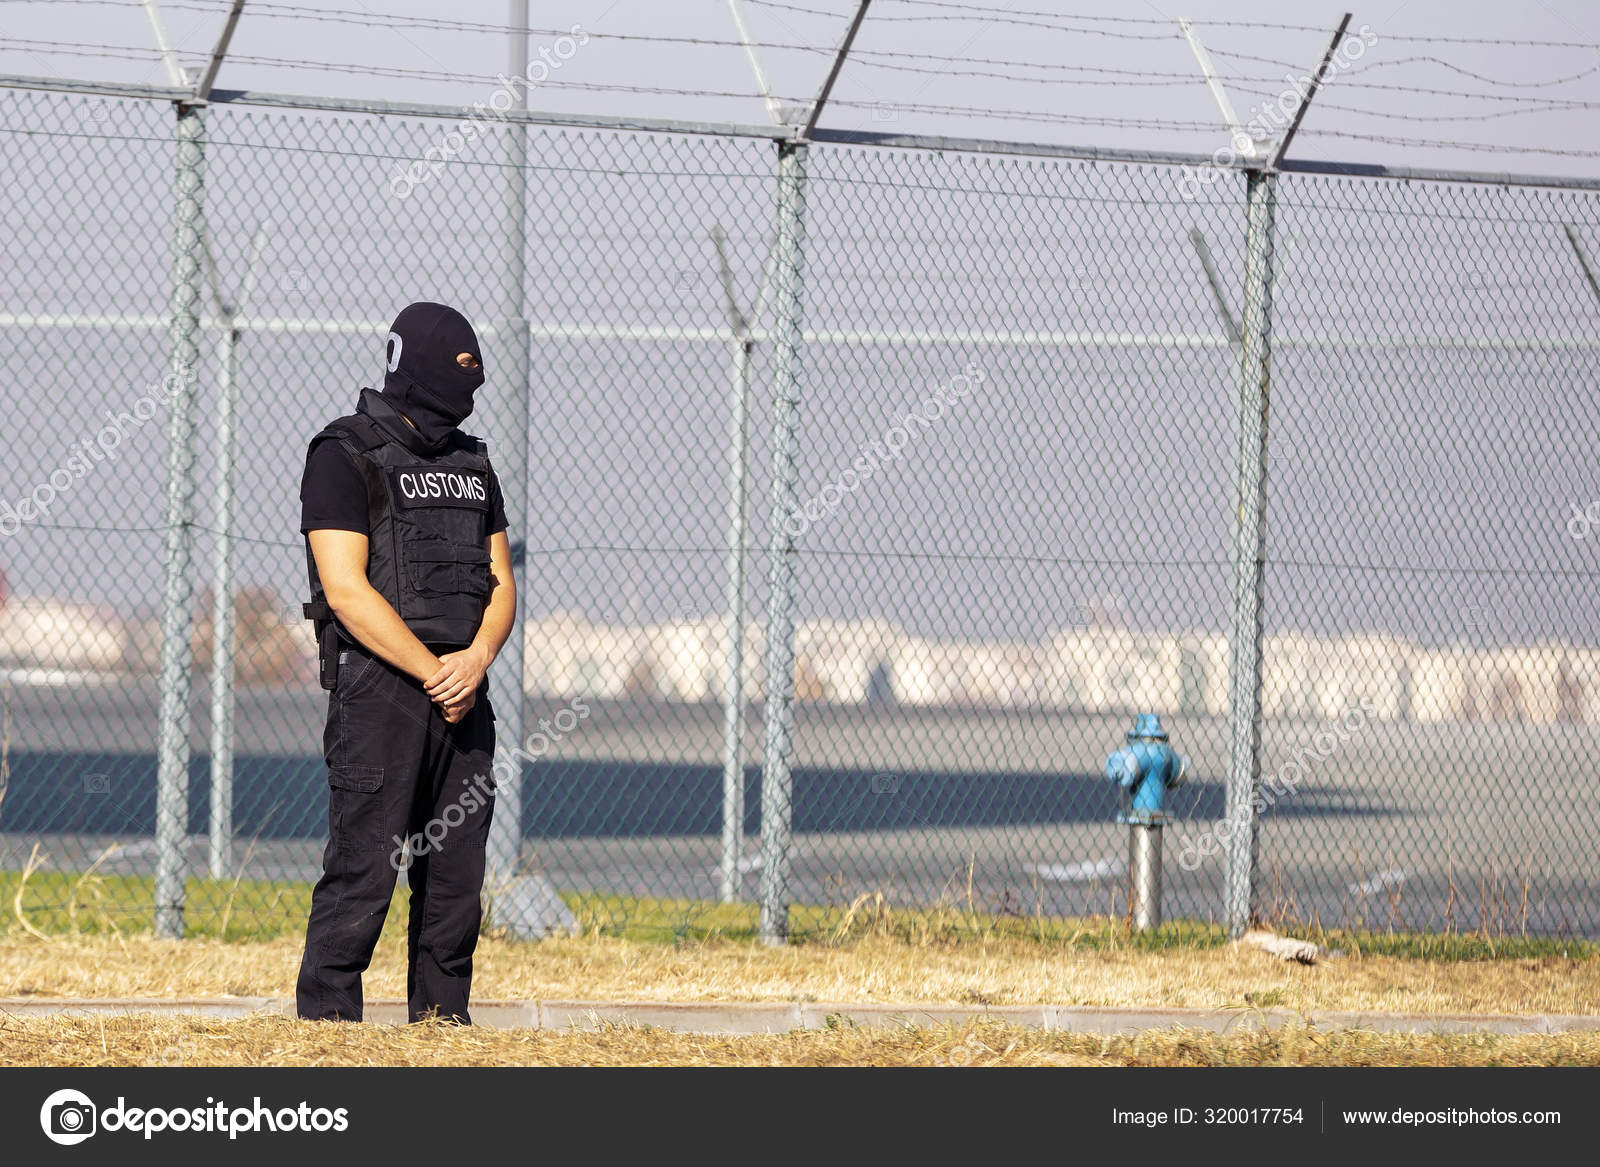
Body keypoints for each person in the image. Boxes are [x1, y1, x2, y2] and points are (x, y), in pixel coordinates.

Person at [296, 301, 516, 1024]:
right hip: (380, 695)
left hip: (464, 697)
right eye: (459, 377)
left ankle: (442, 1027)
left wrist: (476, 658)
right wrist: (434, 668)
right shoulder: (343, 453)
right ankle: (329, 1032)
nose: (469, 396)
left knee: (456, 880)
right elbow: (346, 589)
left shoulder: (473, 463)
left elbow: (501, 582)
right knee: (363, 872)